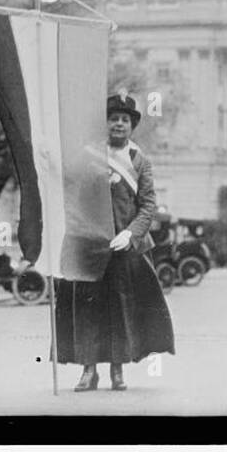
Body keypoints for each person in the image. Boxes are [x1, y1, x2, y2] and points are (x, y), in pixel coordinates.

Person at [56, 93, 176, 392]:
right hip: (90, 246)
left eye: (124, 120)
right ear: (106, 124)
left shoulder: (139, 160)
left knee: (121, 309)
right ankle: (88, 370)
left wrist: (130, 233)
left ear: (132, 126)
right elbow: (69, 187)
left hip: (125, 249)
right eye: (113, 118)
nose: (119, 124)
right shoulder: (87, 155)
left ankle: (118, 370)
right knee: (88, 308)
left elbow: (147, 205)